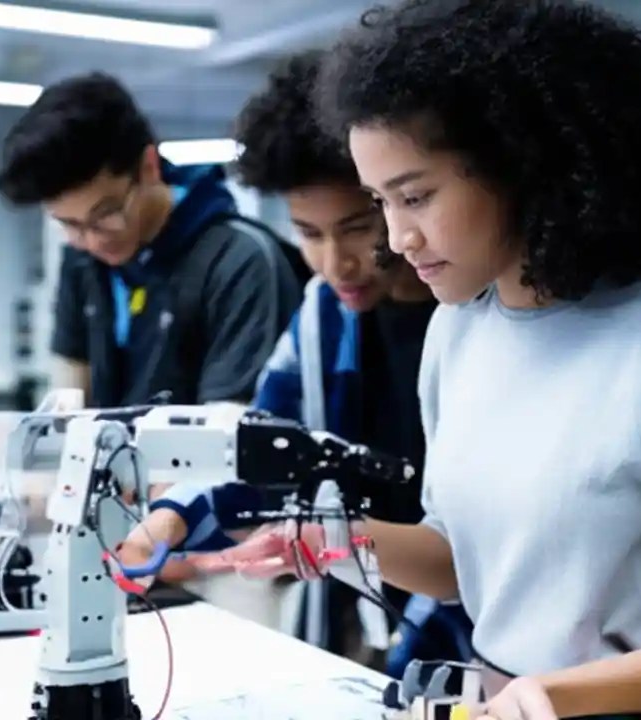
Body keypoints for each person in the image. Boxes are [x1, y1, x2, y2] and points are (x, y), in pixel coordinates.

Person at [207, 2, 641, 719]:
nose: (396, 238)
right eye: (381, 201)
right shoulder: (458, 331)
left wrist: (558, 693)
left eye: (416, 196)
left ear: (523, 165)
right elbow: (457, 562)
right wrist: (333, 541)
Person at [119, 50, 473, 672]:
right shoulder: (323, 315)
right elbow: (263, 446)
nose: (335, 263)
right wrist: (171, 518)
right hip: (366, 610)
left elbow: (478, 547)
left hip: (479, 639)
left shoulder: (474, 318)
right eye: (309, 233)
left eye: (357, 227)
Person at [0, 72, 306, 408]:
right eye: (69, 224)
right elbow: (70, 389)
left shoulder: (240, 262)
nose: (92, 241)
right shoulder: (81, 255)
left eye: (106, 215)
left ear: (148, 166)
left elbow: (232, 431)